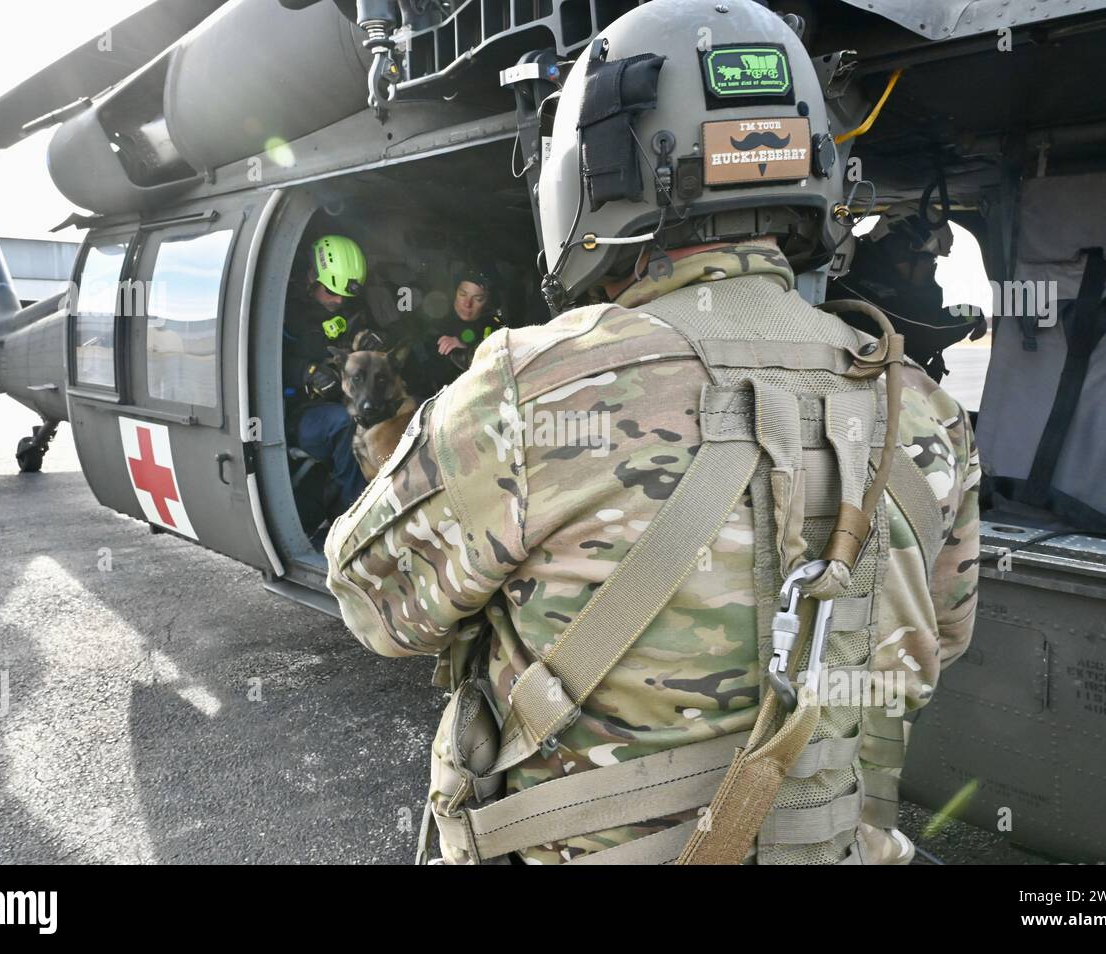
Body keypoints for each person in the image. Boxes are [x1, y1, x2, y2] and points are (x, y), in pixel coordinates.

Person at [325, 0, 979, 865]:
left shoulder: (532, 390)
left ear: (598, 173)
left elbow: (374, 604)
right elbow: (942, 637)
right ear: (816, 166)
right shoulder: (920, 408)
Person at [829, 203, 987, 382]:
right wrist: (973, 315)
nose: (931, 267)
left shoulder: (884, 284)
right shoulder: (860, 289)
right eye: (930, 258)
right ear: (901, 250)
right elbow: (925, 329)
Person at [283, 235, 371, 524]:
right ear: (312, 277)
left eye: (345, 296)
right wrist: (305, 372)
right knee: (344, 422)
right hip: (298, 414)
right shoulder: (284, 313)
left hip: (345, 399)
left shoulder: (351, 312)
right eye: (330, 292)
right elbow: (252, 361)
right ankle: (356, 516)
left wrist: (370, 344)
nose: (338, 301)